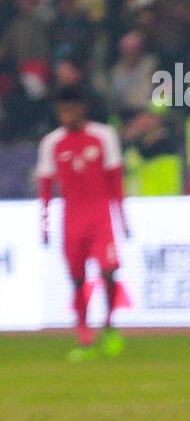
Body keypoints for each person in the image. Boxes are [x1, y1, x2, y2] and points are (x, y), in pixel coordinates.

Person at [36, 87, 128, 361]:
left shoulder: (103, 136)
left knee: (109, 270)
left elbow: (115, 180)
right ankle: (84, 338)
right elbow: (45, 189)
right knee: (77, 281)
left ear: (82, 109)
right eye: (63, 110)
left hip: (100, 216)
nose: (68, 115)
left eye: (72, 109)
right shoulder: (52, 143)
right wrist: (44, 225)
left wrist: (122, 219)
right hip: (72, 220)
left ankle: (109, 325)